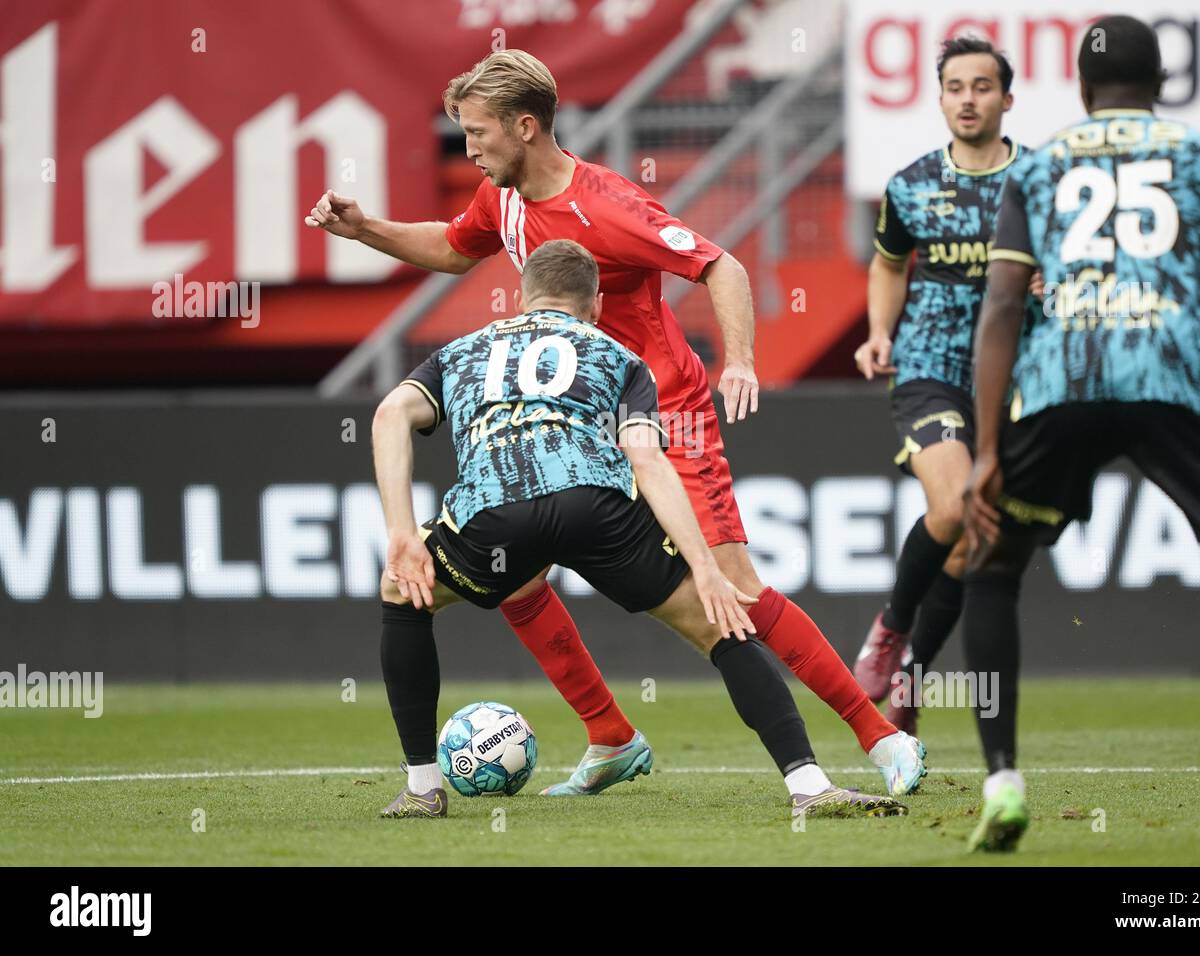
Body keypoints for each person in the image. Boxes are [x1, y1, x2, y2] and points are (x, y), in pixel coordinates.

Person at [308, 49, 906, 795]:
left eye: (477, 133)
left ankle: (876, 735)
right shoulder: (504, 197)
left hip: (661, 410)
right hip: (577, 421)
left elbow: (720, 265)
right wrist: (367, 229)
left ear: (525, 127)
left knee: (730, 587)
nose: (469, 149)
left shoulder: (610, 207)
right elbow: (455, 251)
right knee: (517, 574)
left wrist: (741, 360)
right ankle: (611, 735)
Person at [370, 239, 925, 818]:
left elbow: (389, 416)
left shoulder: (461, 351)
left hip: (496, 511)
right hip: (599, 508)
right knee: (722, 626)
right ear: (595, 305)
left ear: (522, 295)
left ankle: (421, 787)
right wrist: (706, 570)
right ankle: (810, 786)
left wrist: (402, 535)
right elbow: (648, 459)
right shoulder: (617, 355)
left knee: (401, 597)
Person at [963, 14, 1200, 852]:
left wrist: (988, 449)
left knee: (992, 566)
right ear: (1161, 85)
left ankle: (1002, 779)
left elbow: (1003, 305)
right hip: (1174, 379)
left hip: (1060, 383)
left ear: (1080, 89)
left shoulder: (1036, 167)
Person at [852, 37, 1036, 735]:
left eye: (982, 86)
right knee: (956, 503)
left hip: (1017, 379)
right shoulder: (911, 184)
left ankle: (913, 673)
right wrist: (878, 331)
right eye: (955, 86)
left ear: (1006, 99)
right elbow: (889, 263)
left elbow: (1083, 266)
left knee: (972, 541)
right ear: (940, 98)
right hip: (931, 366)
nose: (968, 98)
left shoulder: (1042, 182)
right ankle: (889, 629)